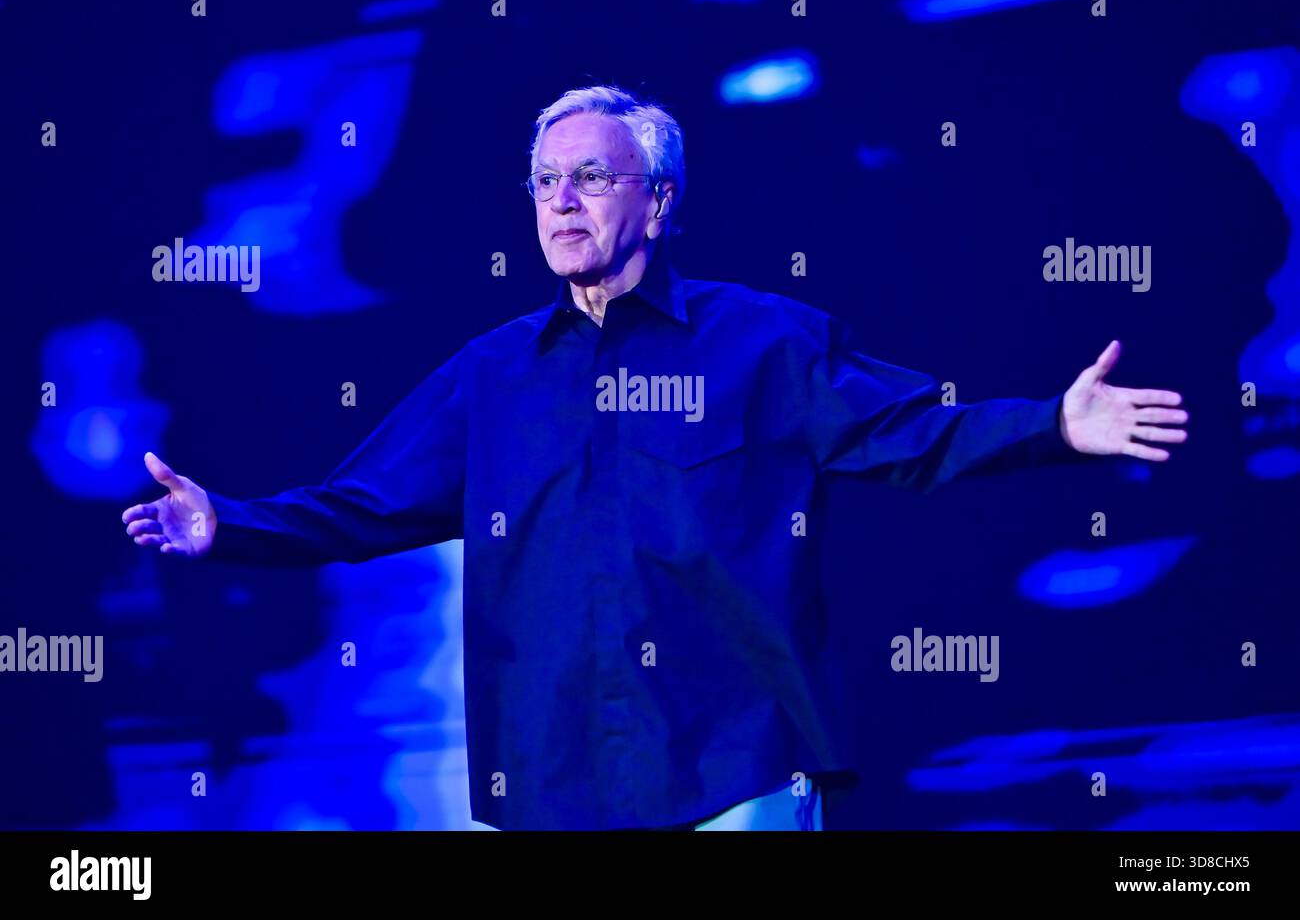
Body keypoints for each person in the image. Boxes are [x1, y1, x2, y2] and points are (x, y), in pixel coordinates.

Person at [121, 85, 1189, 830]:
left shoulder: (764, 340)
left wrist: (1054, 422)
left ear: (660, 196)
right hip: (548, 776)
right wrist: (230, 523)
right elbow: (363, 504)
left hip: (734, 765)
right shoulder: (490, 374)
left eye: (590, 176)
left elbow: (910, 431)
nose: (561, 201)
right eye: (544, 182)